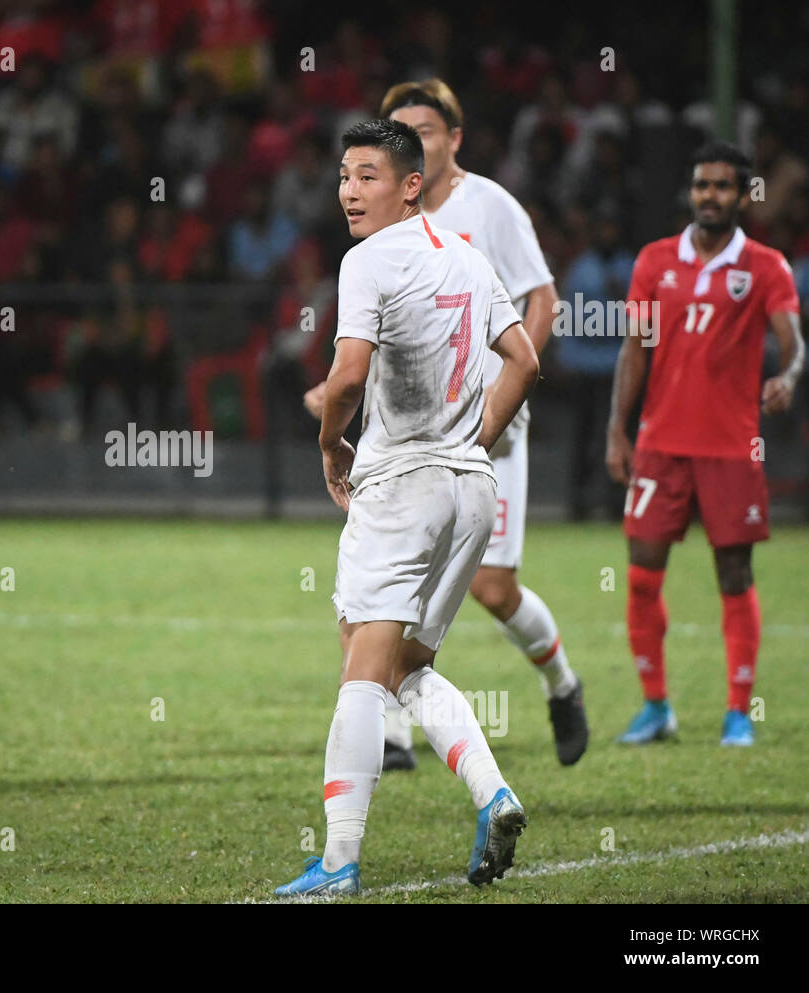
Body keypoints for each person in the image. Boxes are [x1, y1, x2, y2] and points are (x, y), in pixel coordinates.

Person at [276, 119, 539, 896]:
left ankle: (338, 862)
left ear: (410, 184)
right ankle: (494, 792)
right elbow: (523, 361)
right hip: (469, 491)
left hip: (400, 487)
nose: (350, 191)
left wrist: (332, 444)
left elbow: (348, 377)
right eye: (344, 176)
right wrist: (477, 439)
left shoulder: (366, 262)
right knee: (409, 665)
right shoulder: (464, 256)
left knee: (360, 668)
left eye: (367, 176)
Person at [305, 79, 586, 769]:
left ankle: (561, 683)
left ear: (450, 140)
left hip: (482, 430)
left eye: (423, 132)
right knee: (395, 600)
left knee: (485, 588)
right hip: (416, 443)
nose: (412, 144)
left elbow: (541, 299)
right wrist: (342, 387)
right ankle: (397, 740)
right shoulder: (390, 234)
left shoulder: (487, 209)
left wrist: (488, 412)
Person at [606, 141, 803, 747]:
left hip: (731, 447)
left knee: (734, 575)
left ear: (745, 196)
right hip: (661, 441)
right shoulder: (654, 260)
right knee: (640, 575)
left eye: (721, 187)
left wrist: (787, 378)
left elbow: (793, 341)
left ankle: (738, 711)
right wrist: (618, 428)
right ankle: (655, 706)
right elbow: (634, 348)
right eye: (701, 185)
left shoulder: (766, 266)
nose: (708, 196)